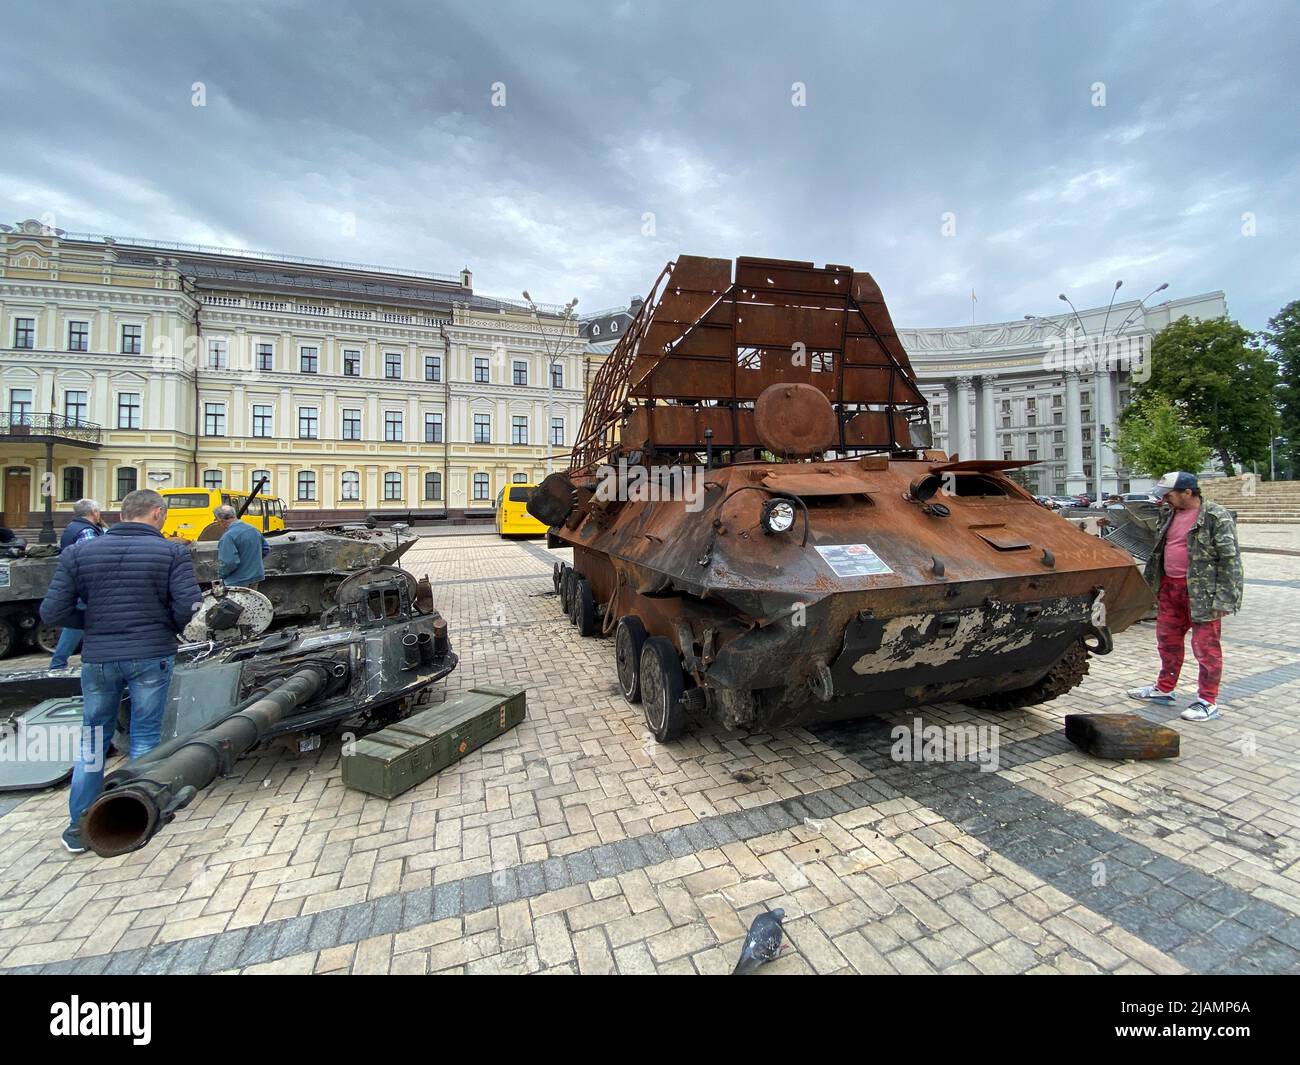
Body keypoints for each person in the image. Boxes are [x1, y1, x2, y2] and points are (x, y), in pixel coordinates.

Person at [40, 488, 202, 853]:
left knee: (93, 742)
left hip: (98, 656)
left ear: (120, 514)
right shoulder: (171, 551)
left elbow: (51, 612)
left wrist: (90, 623)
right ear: (157, 513)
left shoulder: (79, 552)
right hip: (150, 653)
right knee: (145, 737)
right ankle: (136, 815)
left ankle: (79, 827)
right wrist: (166, 626)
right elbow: (190, 604)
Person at [1128, 471, 1243, 722]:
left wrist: (1225, 599)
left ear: (1187, 493)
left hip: (1202, 593)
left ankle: (1207, 701)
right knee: (1167, 641)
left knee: (1206, 649)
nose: (1164, 500)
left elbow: (1230, 560)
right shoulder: (1169, 513)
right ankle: (1164, 689)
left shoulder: (1215, 516)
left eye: (1169, 495)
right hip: (1170, 588)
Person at [48, 498, 105, 669]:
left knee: (81, 625)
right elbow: (92, 557)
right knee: (78, 627)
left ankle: (63, 662)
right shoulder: (87, 531)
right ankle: (59, 663)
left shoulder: (72, 527)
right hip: (87, 584)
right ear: (94, 512)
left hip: (76, 580)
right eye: (98, 511)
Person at [213, 504, 266, 589]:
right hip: (255, 576)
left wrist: (221, 575)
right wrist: (251, 561)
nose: (216, 522)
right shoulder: (253, 529)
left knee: (236, 602)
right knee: (252, 601)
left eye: (216, 519)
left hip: (237, 580)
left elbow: (228, 563)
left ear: (221, 520)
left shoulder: (228, 536)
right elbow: (265, 549)